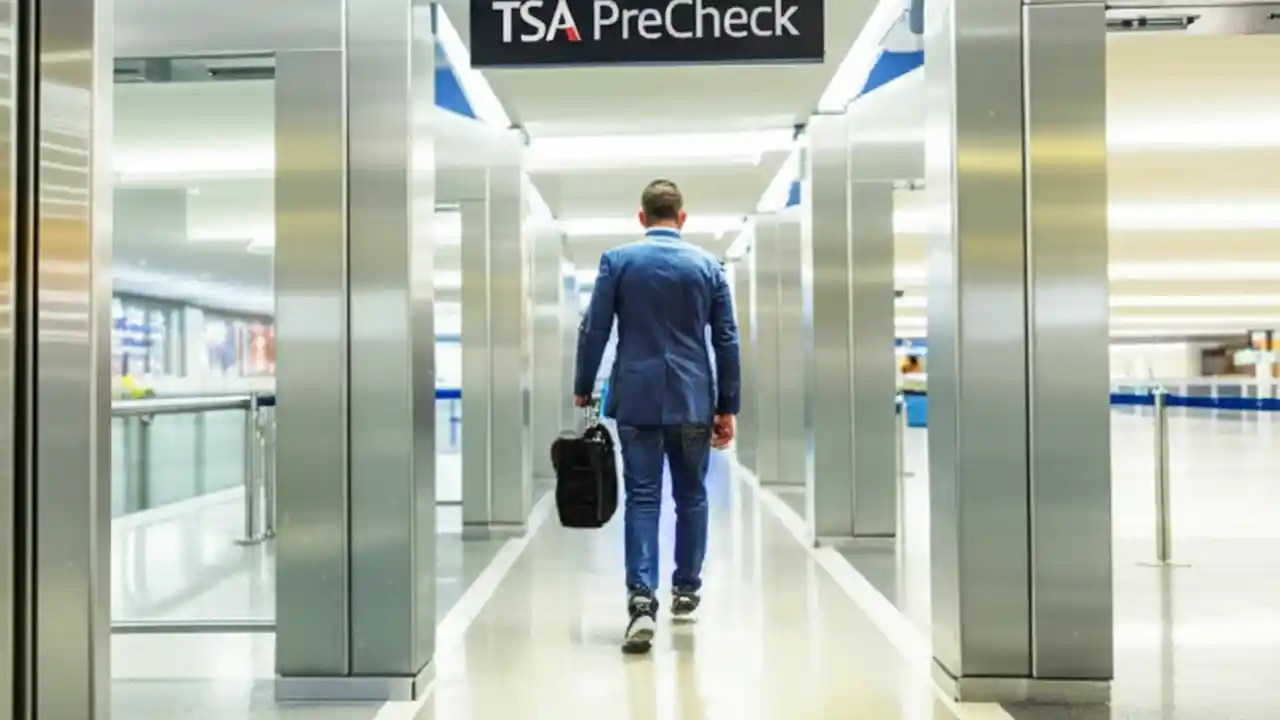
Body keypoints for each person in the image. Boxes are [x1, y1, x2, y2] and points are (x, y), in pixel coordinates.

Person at [573, 179, 741, 654]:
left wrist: (584, 386)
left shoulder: (618, 261)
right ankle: (686, 588)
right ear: (681, 218)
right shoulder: (709, 268)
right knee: (691, 497)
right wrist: (727, 405)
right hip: (692, 399)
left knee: (643, 499)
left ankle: (641, 602)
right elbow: (726, 339)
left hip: (637, 398)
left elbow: (595, 330)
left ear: (641, 218)